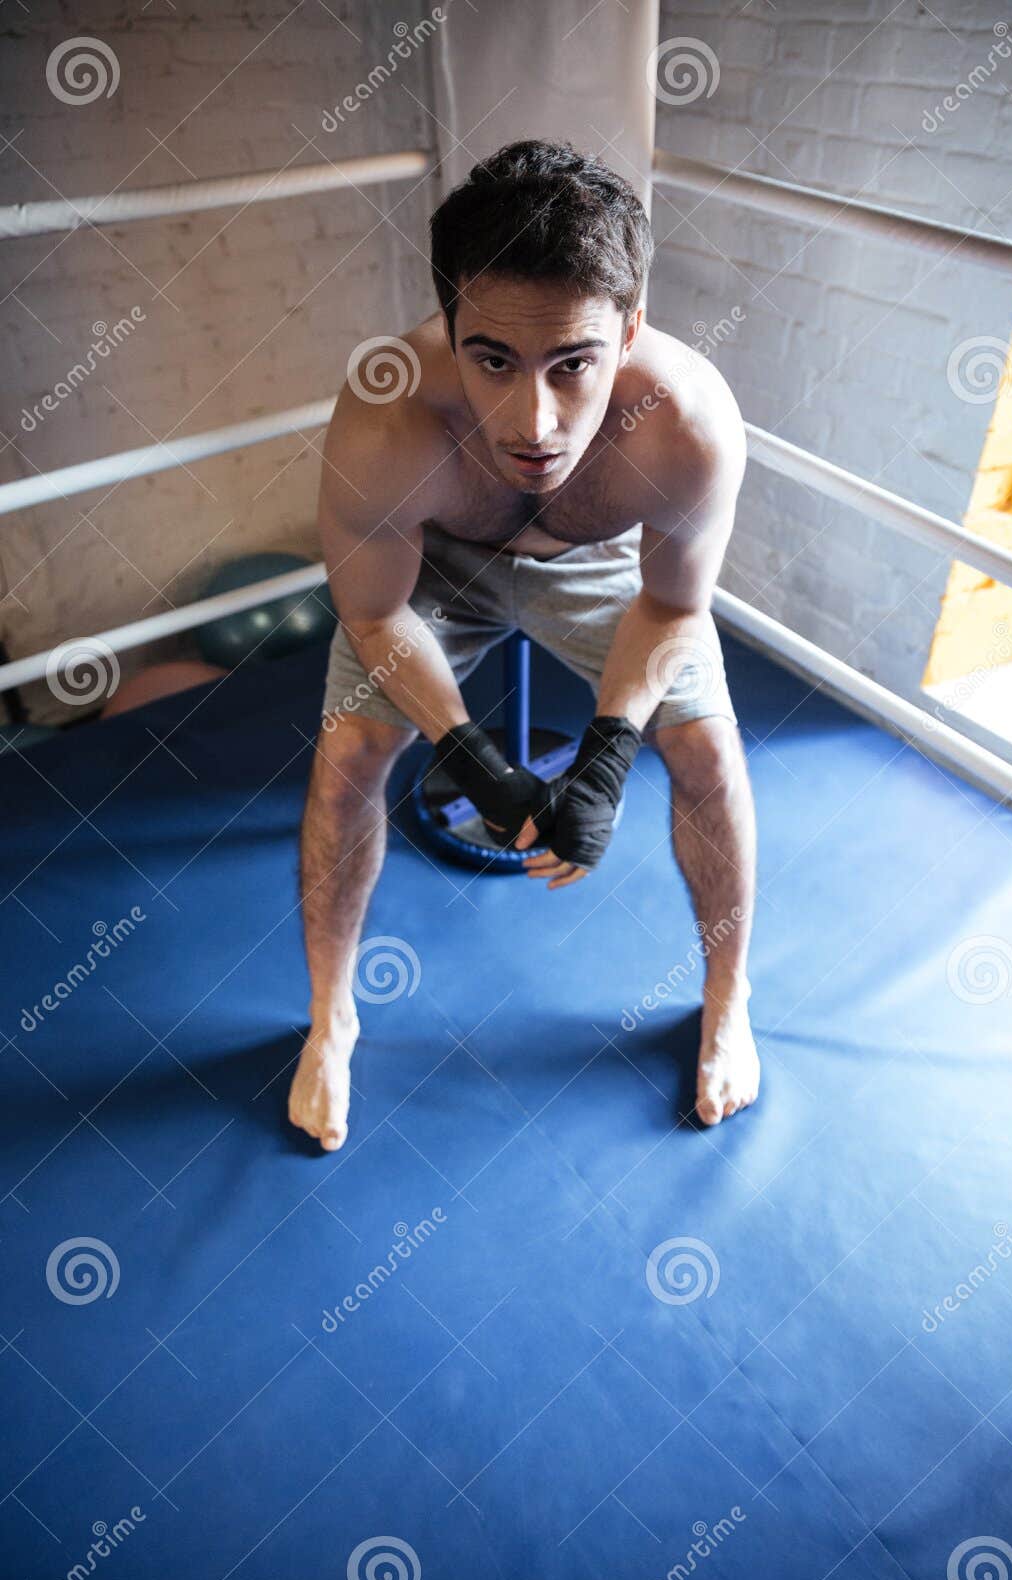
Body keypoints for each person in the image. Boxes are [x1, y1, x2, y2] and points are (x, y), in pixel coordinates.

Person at [288, 138, 759, 1151]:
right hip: (434, 566)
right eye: (493, 360)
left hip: (602, 564)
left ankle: (728, 999)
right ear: (448, 326)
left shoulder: (686, 423)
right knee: (346, 756)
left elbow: (670, 607)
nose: (533, 422)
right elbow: (373, 616)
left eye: (572, 363)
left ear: (628, 330)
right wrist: (466, 752)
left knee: (708, 751)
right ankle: (331, 1016)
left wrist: (608, 751)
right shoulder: (388, 417)